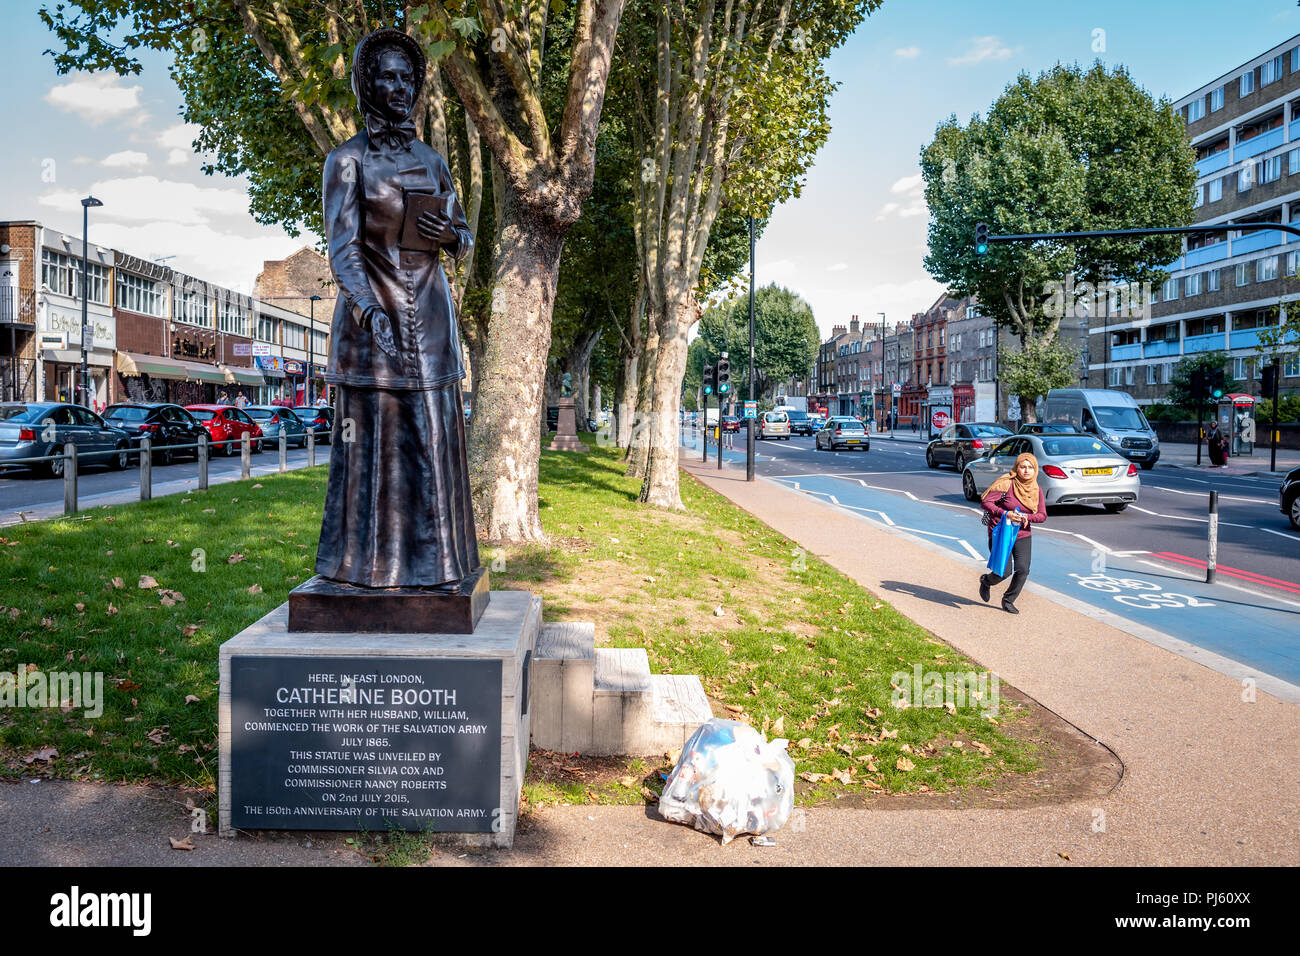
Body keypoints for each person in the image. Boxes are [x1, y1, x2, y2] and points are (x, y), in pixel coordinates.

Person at [315, 28, 479, 589]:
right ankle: (365, 571)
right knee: (375, 448)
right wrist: (369, 308)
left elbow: (462, 235)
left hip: (431, 324)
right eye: (387, 77)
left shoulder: (432, 160)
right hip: (373, 327)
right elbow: (343, 248)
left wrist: (453, 234)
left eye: (407, 78)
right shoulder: (346, 162)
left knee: (432, 441)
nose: (399, 88)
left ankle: (439, 570)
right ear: (366, 84)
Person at [977, 452, 1047, 614]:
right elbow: (986, 503)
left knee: (1023, 569)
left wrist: (1027, 517)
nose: (1027, 471)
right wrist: (1005, 514)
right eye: (1023, 467)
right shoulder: (1006, 484)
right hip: (1001, 532)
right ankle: (986, 581)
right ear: (1017, 467)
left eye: (1031, 467)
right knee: (1004, 571)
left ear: (1035, 470)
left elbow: (1042, 515)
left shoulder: (1036, 490)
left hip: (1022, 534)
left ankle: (1008, 600)